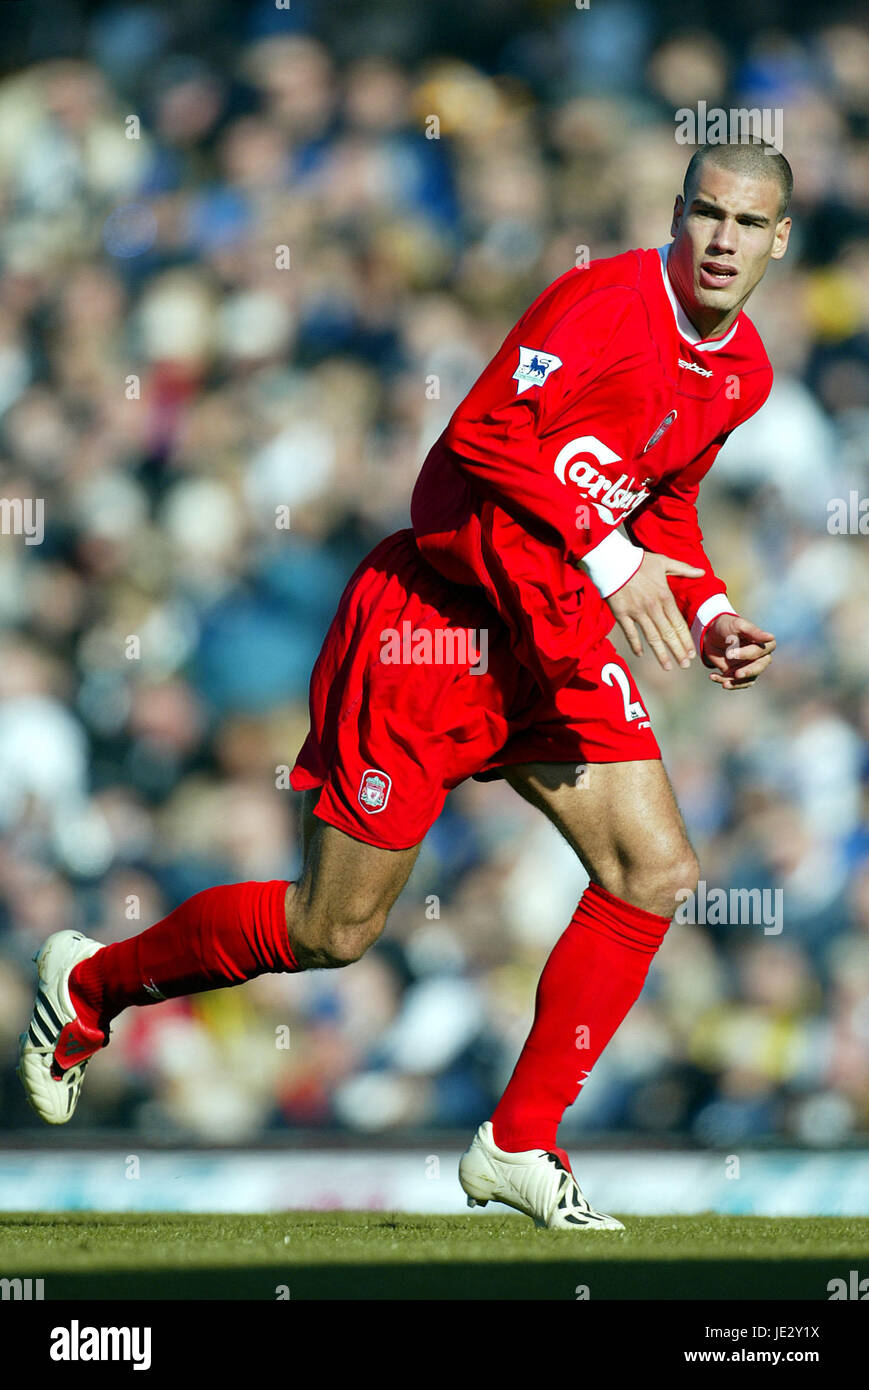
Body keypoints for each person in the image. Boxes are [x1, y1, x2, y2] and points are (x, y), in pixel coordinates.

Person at [19, 140, 790, 1230]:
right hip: (430, 627)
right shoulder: (600, 306)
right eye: (706, 214)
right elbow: (477, 438)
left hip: (553, 632)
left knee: (653, 869)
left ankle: (518, 1142)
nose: (721, 241)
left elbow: (658, 505)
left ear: (778, 240)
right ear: (674, 214)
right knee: (331, 930)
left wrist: (707, 612)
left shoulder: (740, 370)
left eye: (747, 224)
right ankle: (91, 987)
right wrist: (611, 562)